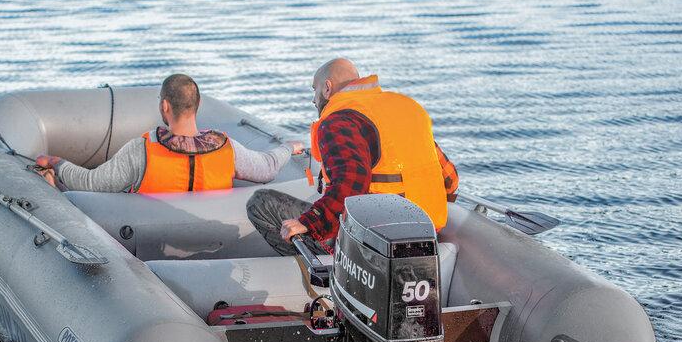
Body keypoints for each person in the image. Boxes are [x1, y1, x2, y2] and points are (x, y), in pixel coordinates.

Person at [247, 59, 458, 256]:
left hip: (373, 242)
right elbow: (450, 179)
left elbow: (352, 183)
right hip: (426, 234)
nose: (313, 99)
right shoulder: (407, 109)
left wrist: (310, 223)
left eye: (315, 90)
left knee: (260, 202)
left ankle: (320, 274)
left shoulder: (339, 120)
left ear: (327, 88)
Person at [35, 74, 302, 193]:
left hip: (146, 244)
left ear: (164, 107)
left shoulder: (141, 150)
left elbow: (91, 184)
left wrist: (57, 164)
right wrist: (288, 148)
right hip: (213, 240)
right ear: (198, 105)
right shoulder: (226, 148)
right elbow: (267, 169)